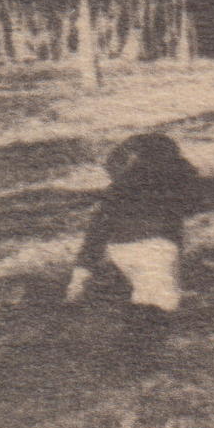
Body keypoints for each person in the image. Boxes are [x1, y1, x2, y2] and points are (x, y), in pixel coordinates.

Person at [64, 131, 204, 374]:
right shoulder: (172, 186)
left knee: (149, 296)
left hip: (122, 249)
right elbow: (179, 221)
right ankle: (133, 360)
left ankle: (133, 356)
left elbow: (96, 233)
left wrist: (81, 273)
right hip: (156, 247)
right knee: (161, 301)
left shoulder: (116, 192)